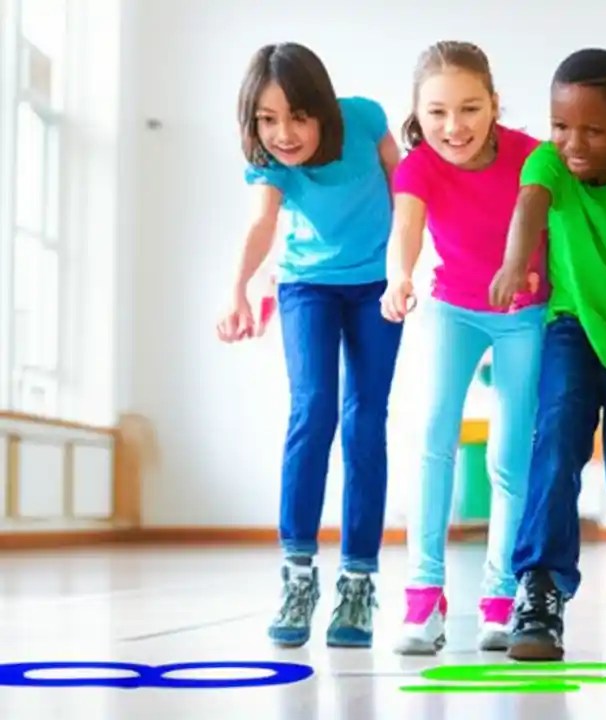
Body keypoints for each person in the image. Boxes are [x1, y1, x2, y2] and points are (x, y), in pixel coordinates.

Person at [216, 42, 402, 649]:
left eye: (296, 116)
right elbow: (260, 223)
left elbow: (407, 192)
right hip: (305, 286)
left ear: (322, 108)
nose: (284, 134)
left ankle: (358, 581)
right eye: (267, 119)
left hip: (375, 284)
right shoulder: (270, 162)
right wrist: (237, 289)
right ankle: (298, 576)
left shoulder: (366, 119)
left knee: (364, 422)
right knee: (312, 411)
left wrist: (411, 267)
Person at [489, 48, 606, 662]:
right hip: (570, 326)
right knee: (557, 447)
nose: (573, 142)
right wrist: (517, 261)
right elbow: (529, 205)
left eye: (593, 129)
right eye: (561, 125)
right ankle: (539, 589)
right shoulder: (549, 162)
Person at [379, 41, 546, 655]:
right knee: (434, 438)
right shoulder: (419, 166)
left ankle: (500, 595)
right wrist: (399, 277)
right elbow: (407, 230)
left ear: (495, 104)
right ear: (419, 114)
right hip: (455, 308)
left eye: (471, 109)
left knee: (509, 455)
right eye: (438, 112)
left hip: (523, 315)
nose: (455, 127)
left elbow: (555, 228)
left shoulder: (532, 156)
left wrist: (538, 272)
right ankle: (424, 595)